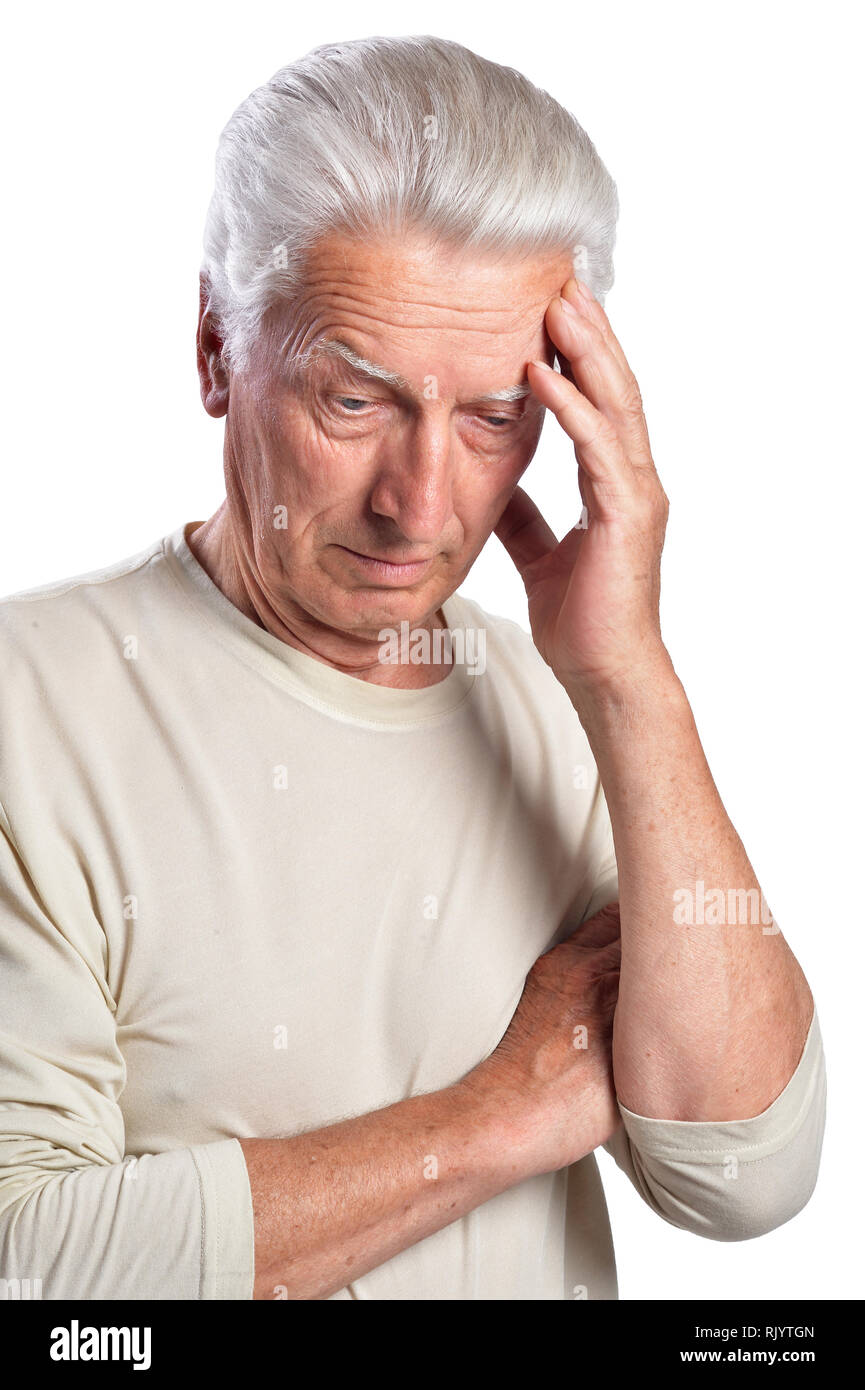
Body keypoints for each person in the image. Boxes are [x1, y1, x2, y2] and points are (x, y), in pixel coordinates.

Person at [0, 35, 825, 1301]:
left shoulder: (578, 705)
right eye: (354, 401)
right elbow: (29, 1268)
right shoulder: (32, 705)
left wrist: (630, 680)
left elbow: (743, 1174)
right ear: (218, 345)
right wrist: (504, 1114)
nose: (421, 503)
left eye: (496, 417)